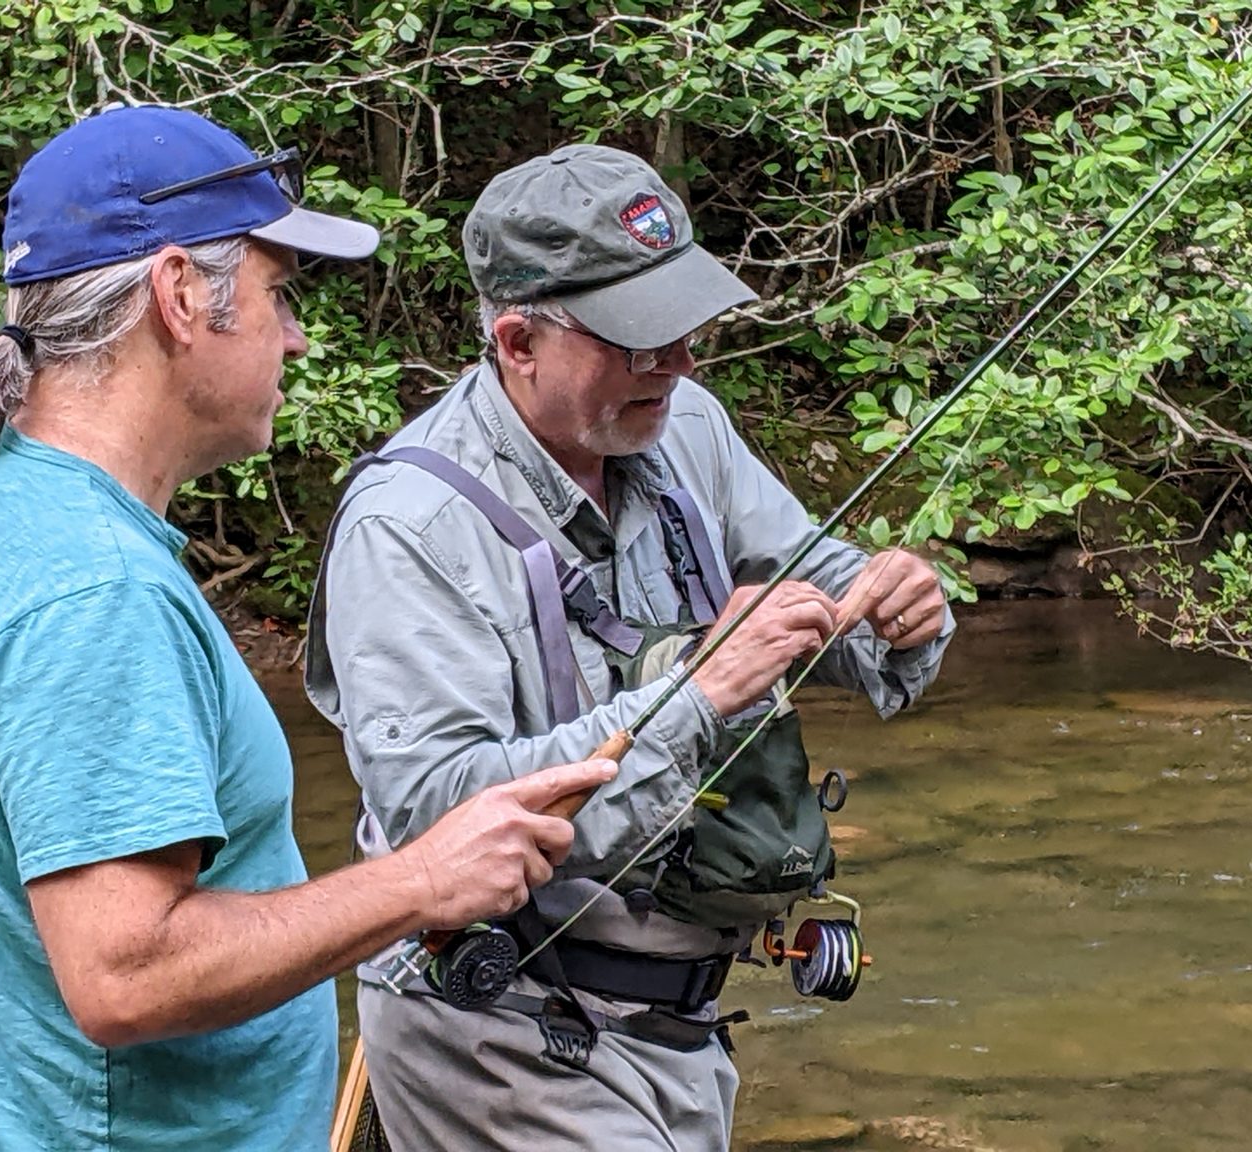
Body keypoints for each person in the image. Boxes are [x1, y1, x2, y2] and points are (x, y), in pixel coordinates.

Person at [0, 105, 616, 1152]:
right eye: (278, 295)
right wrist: (422, 881)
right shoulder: (96, 591)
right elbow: (125, 977)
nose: (298, 334)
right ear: (179, 296)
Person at [306, 143, 956, 1150]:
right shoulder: (409, 528)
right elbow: (442, 820)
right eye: (639, 338)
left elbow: (818, 583)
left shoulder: (679, 420)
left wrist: (894, 612)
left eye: (685, 325)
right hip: (502, 1036)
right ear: (518, 341)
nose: (683, 360)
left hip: (675, 1027)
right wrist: (697, 698)